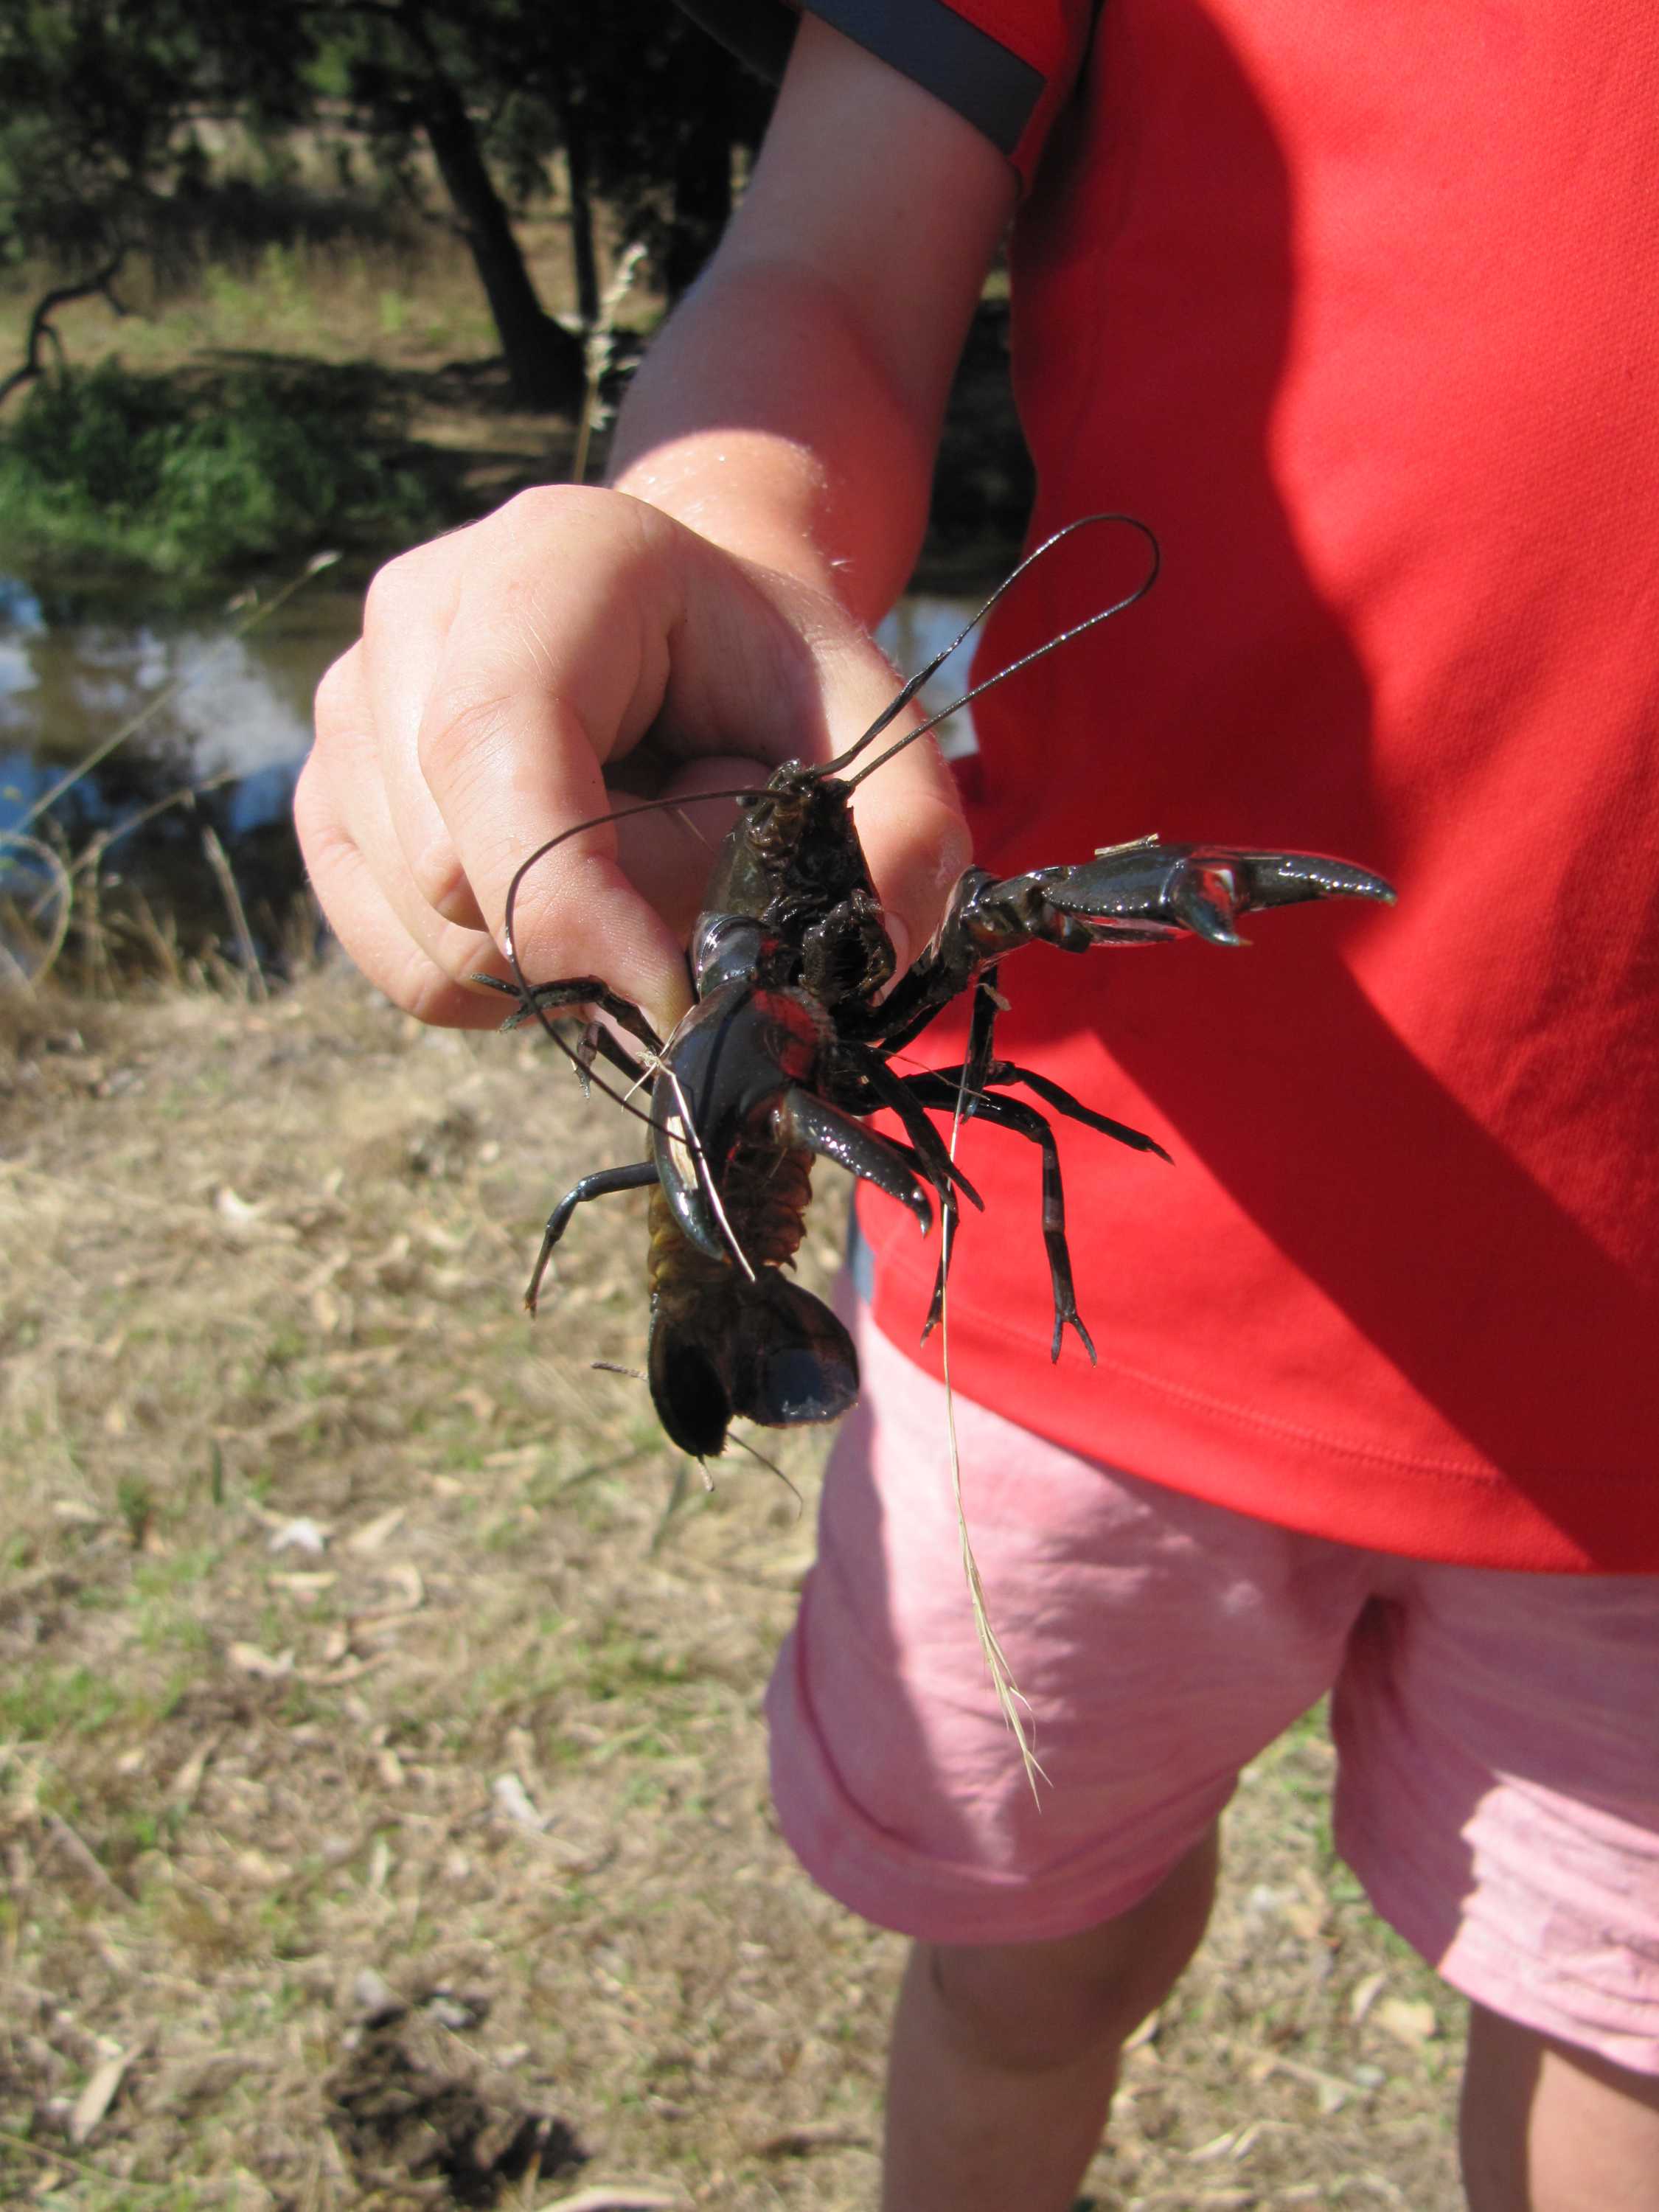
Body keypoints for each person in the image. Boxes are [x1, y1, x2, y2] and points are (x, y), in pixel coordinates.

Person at [297, 5, 1659, 2206]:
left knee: (1621, 2082)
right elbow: (826, 266)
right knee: (1028, 1966)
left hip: (1633, 1406)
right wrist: (713, 532)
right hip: (1094, 1342)